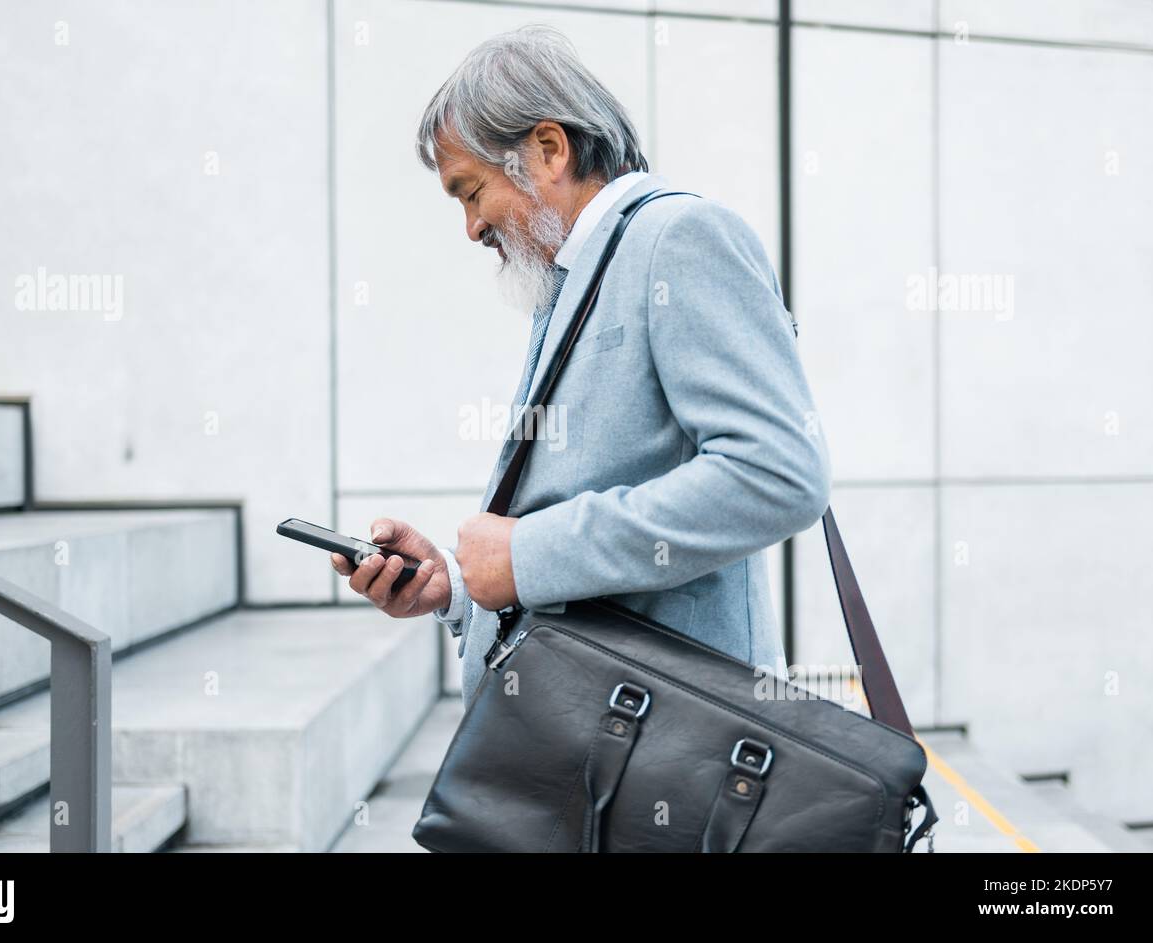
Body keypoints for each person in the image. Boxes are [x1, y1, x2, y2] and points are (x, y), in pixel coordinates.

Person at [330, 24, 830, 712]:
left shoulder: (679, 240)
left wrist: (527, 554)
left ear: (547, 149)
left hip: (668, 758)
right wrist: (451, 588)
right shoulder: (571, 278)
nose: (471, 228)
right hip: (601, 753)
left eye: (471, 193)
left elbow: (778, 475)